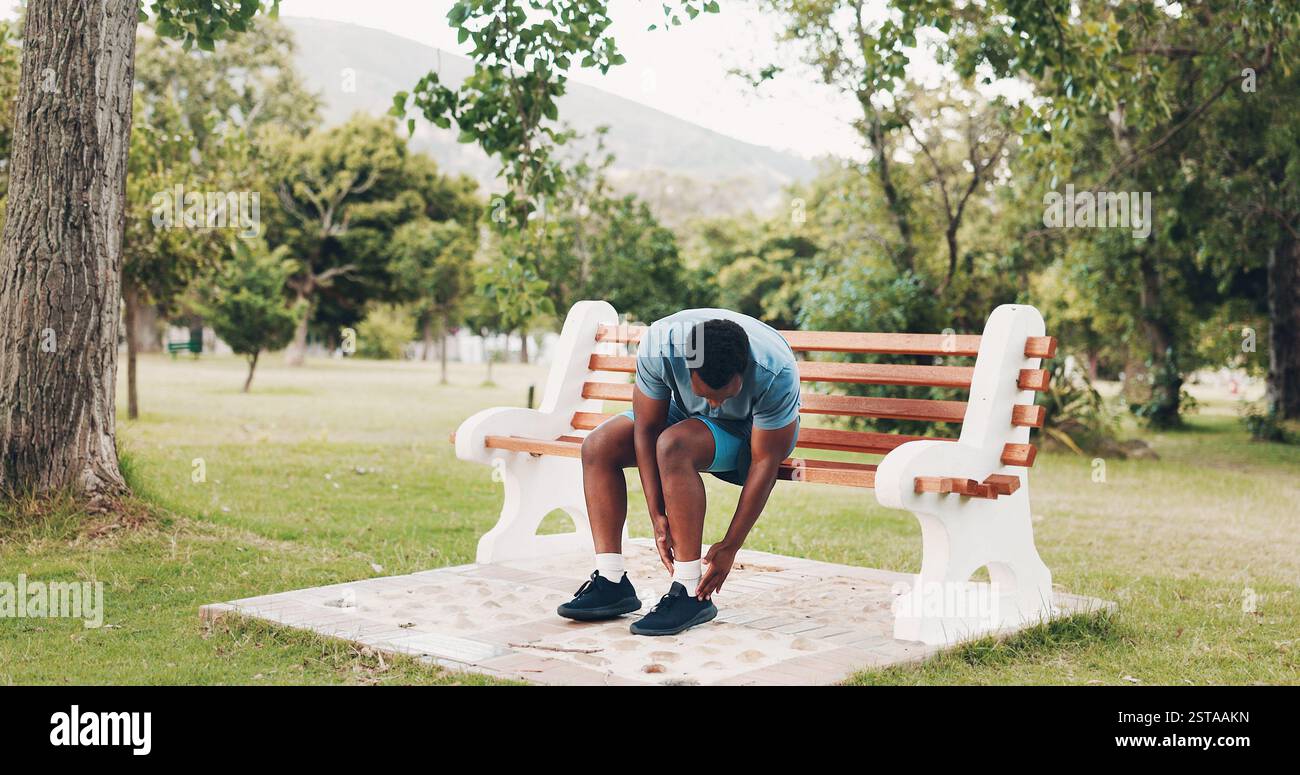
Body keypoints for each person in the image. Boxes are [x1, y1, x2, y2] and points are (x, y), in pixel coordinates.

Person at [557, 308, 800, 635]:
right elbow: (646, 428)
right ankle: (611, 581)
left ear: (742, 373)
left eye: (723, 395)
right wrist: (657, 513)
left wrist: (730, 546)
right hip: (683, 415)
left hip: (749, 429)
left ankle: (689, 592)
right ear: (688, 368)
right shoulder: (660, 346)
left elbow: (764, 462)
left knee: (674, 445)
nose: (714, 404)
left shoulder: (775, 371)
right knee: (598, 446)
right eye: (705, 394)